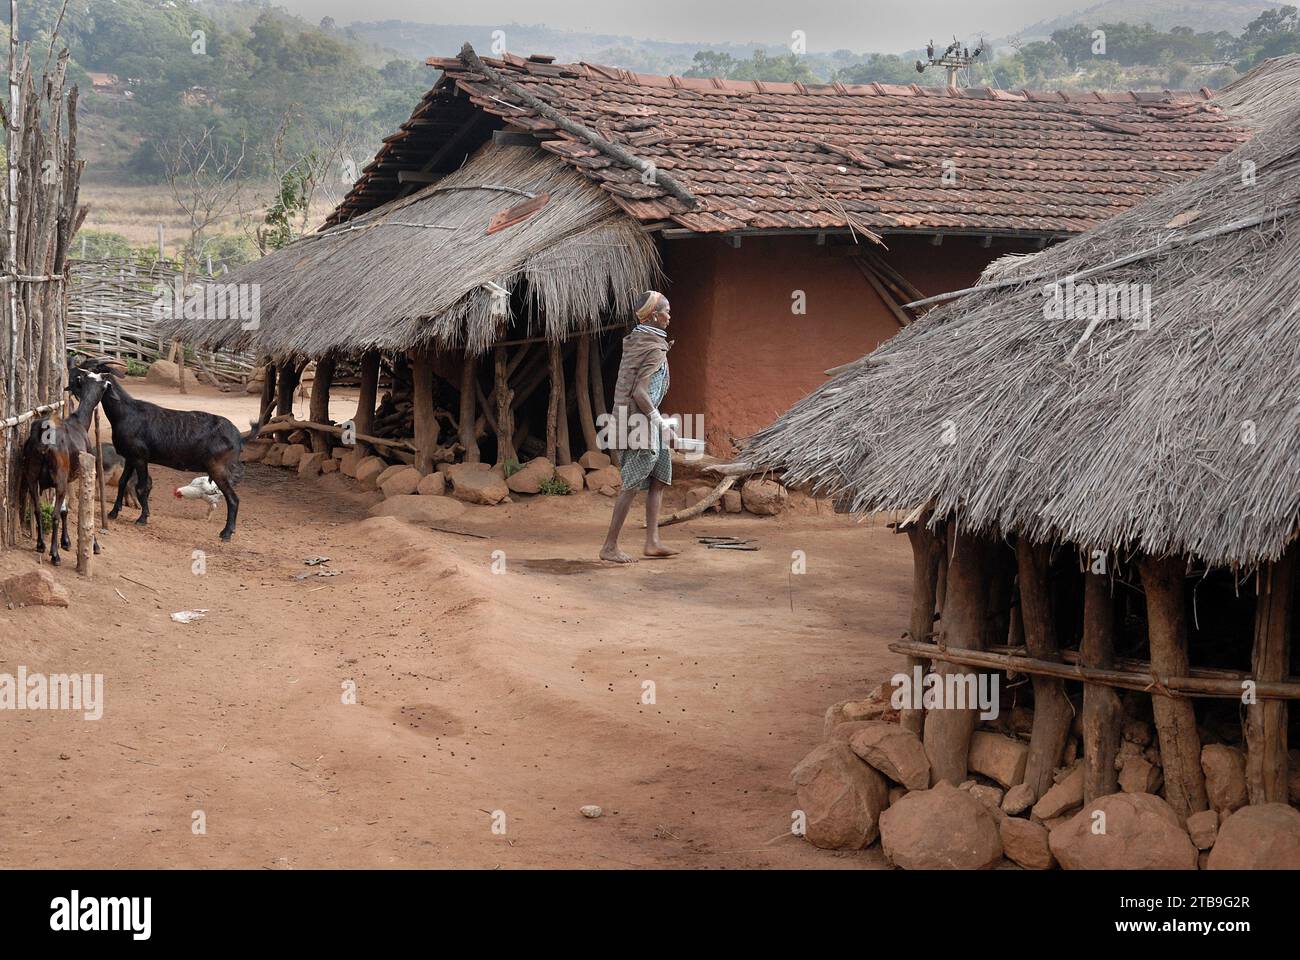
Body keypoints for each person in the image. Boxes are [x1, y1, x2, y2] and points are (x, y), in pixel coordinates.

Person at [599, 290, 680, 563]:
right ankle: (609, 547)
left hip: (642, 419)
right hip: (638, 423)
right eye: (666, 312)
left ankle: (653, 542)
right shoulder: (653, 349)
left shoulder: (639, 342)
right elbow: (640, 394)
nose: (670, 316)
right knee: (631, 483)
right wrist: (662, 425)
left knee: (658, 478)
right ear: (655, 317)